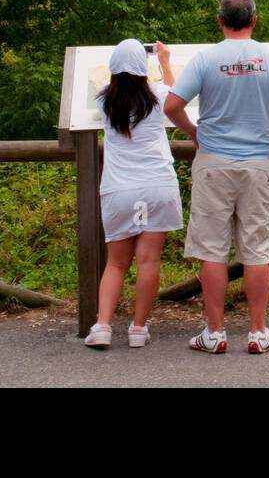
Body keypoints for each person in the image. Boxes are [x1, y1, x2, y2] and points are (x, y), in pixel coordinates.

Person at [164, 0, 269, 355]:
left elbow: (172, 105)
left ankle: (215, 333)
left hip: (213, 163)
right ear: (254, 20)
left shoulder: (205, 59)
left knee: (212, 250)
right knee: (257, 248)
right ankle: (258, 332)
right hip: (258, 163)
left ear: (220, 21)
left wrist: (194, 132)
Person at [84, 39, 184, 349]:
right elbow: (175, 94)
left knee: (116, 264)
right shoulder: (158, 96)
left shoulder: (103, 101)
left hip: (120, 189)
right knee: (148, 261)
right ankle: (138, 329)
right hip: (157, 185)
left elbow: (112, 84)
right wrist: (164, 62)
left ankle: (102, 326)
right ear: (143, 67)